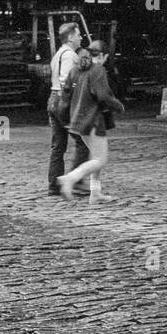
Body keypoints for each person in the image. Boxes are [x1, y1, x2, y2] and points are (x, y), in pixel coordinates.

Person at [57, 40, 125, 202]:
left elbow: (65, 97)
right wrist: (118, 106)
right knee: (100, 159)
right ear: (101, 56)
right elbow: (103, 96)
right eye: (106, 57)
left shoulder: (76, 70)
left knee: (96, 156)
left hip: (78, 122)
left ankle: (95, 192)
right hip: (93, 121)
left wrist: (65, 118)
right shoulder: (98, 70)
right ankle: (70, 178)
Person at [47, 22, 88, 197]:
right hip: (63, 101)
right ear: (70, 37)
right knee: (83, 142)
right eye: (78, 35)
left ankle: (54, 184)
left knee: (58, 145)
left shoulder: (58, 54)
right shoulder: (70, 55)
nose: (81, 38)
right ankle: (75, 181)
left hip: (52, 99)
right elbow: (67, 81)